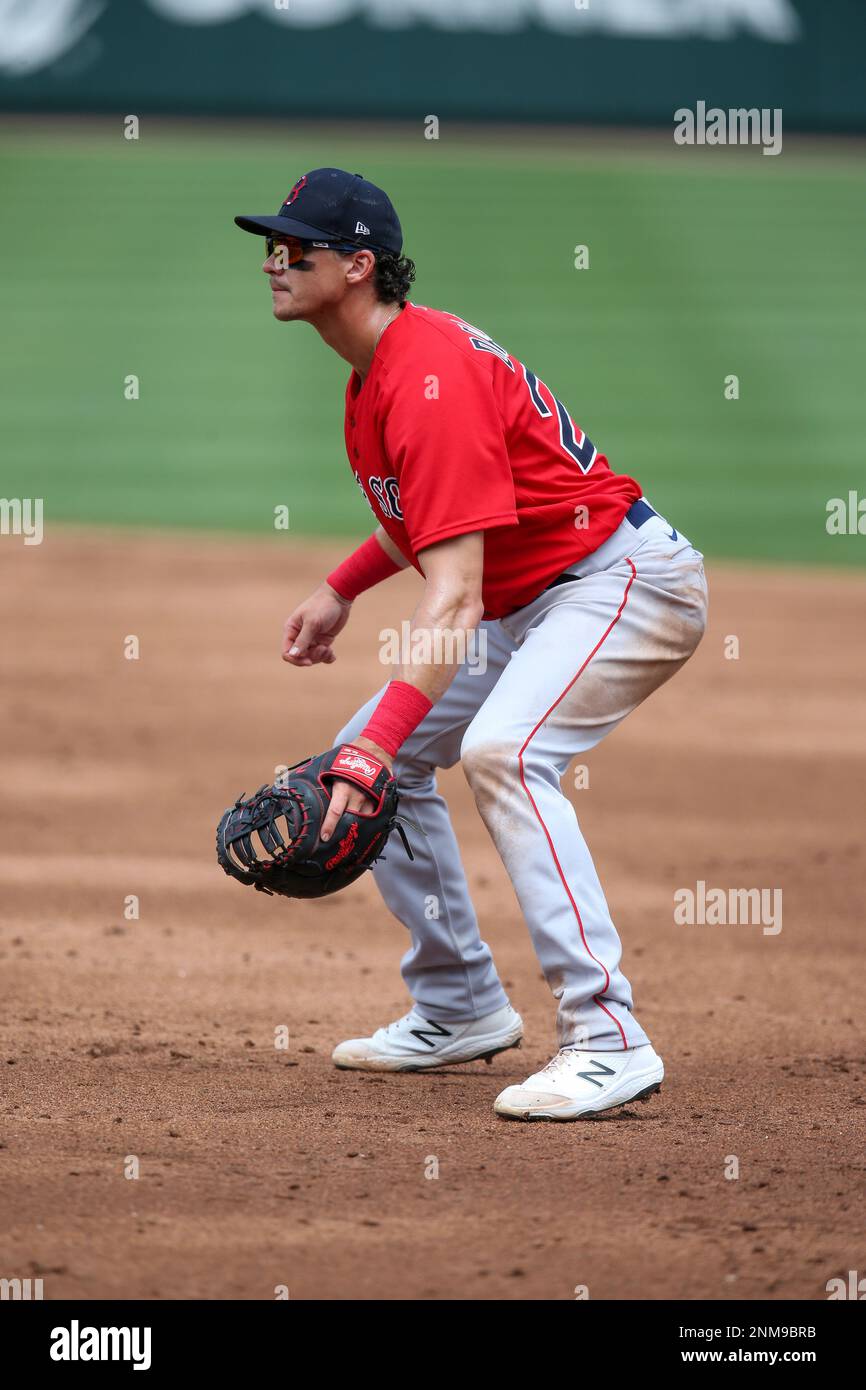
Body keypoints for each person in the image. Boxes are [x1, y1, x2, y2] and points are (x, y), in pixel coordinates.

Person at [235, 168, 708, 1121]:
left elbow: (454, 601)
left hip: (621, 582)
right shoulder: (384, 366)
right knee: (378, 759)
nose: (273, 263)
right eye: (270, 246)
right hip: (536, 594)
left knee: (503, 751)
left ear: (359, 266)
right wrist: (342, 587)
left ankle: (609, 1036)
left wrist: (373, 748)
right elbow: (443, 521)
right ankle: (459, 1006)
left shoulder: (422, 377)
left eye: (297, 249)